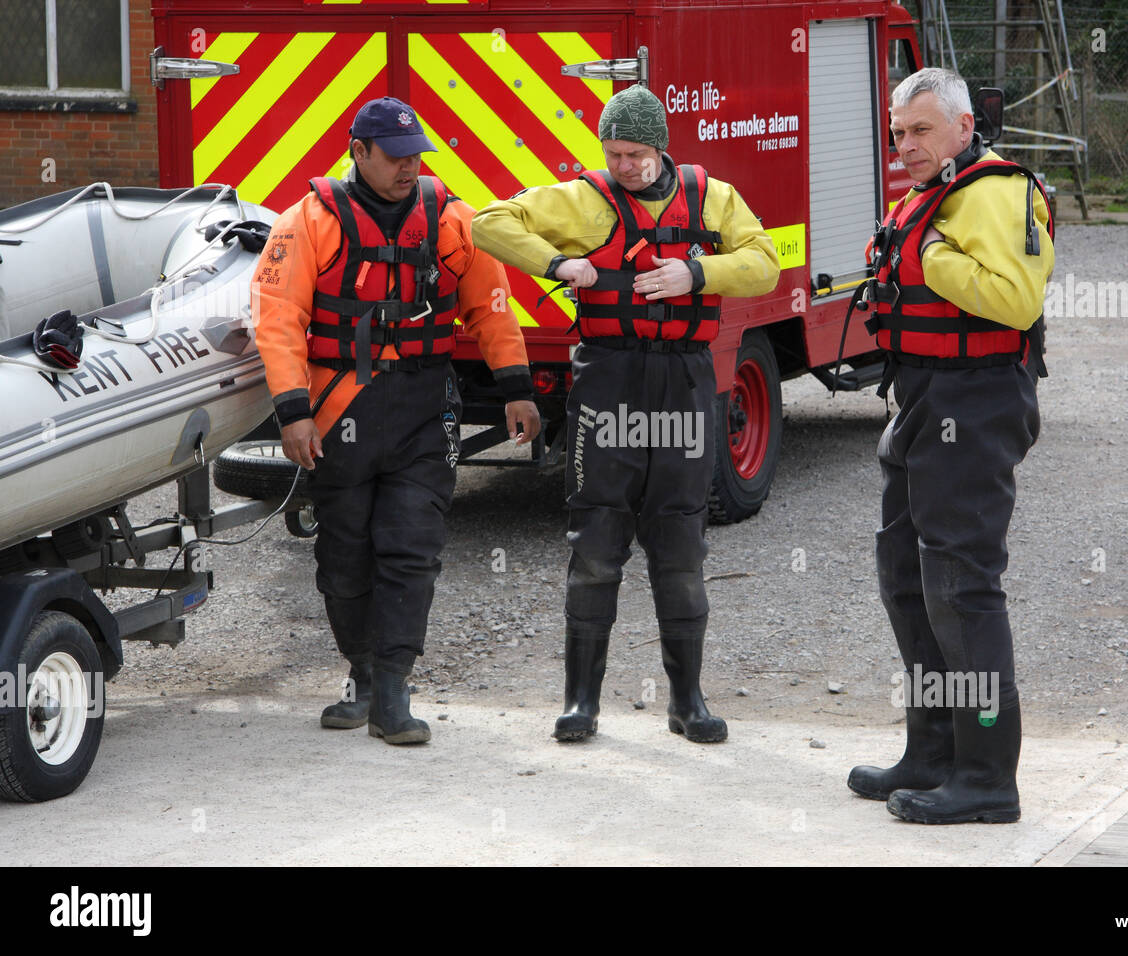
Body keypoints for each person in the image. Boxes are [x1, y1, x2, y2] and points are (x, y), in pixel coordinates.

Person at [472, 86, 778, 744]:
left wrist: (695, 275)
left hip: (685, 381)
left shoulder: (712, 197)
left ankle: (688, 702)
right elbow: (488, 223)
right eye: (613, 153)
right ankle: (581, 702)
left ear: (661, 147)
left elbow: (765, 265)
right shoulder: (583, 199)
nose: (625, 166)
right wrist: (558, 263)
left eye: (636, 154)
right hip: (608, 380)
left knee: (680, 545)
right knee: (596, 545)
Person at [252, 96, 541, 745]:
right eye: (395, 156)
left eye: (416, 156)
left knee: (411, 548)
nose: (409, 167)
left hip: (420, 409)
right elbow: (278, 321)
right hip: (338, 411)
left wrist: (517, 388)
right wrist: (292, 412)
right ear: (359, 153)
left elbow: (491, 308)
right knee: (344, 553)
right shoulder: (307, 223)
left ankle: (393, 688)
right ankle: (362, 671)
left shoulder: (451, 221)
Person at [846, 68, 1054, 822]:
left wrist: (930, 254)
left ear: (965, 128)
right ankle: (933, 751)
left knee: (961, 587)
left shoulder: (998, 193)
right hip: (924, 395)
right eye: (899, 133)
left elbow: (1016, 298)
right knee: (905, 575)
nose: (906, 145)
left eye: (922, 130)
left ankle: (989, 777)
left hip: (977, 399)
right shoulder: (927, 194)